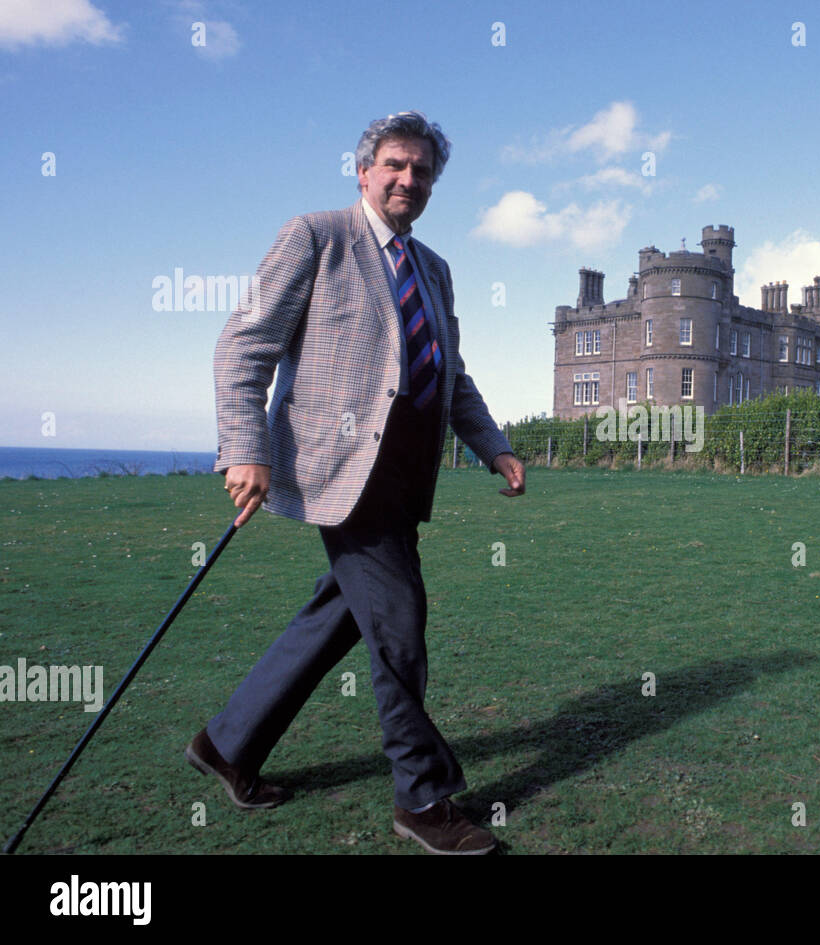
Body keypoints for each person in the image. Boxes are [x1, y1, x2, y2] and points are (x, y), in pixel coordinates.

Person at [191, 111, 524, 855]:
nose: (409, 180)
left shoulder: (433, 268)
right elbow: (243, 344)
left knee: (340, 613)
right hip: (341, 470)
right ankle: (423, 796)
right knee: (399, 621)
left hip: (408, 475)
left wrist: (494, 446)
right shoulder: (315, 236)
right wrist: (245, 447)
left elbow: (450, 375)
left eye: (424, 171)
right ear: (364, 169)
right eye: (396, 165)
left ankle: (227, 742)